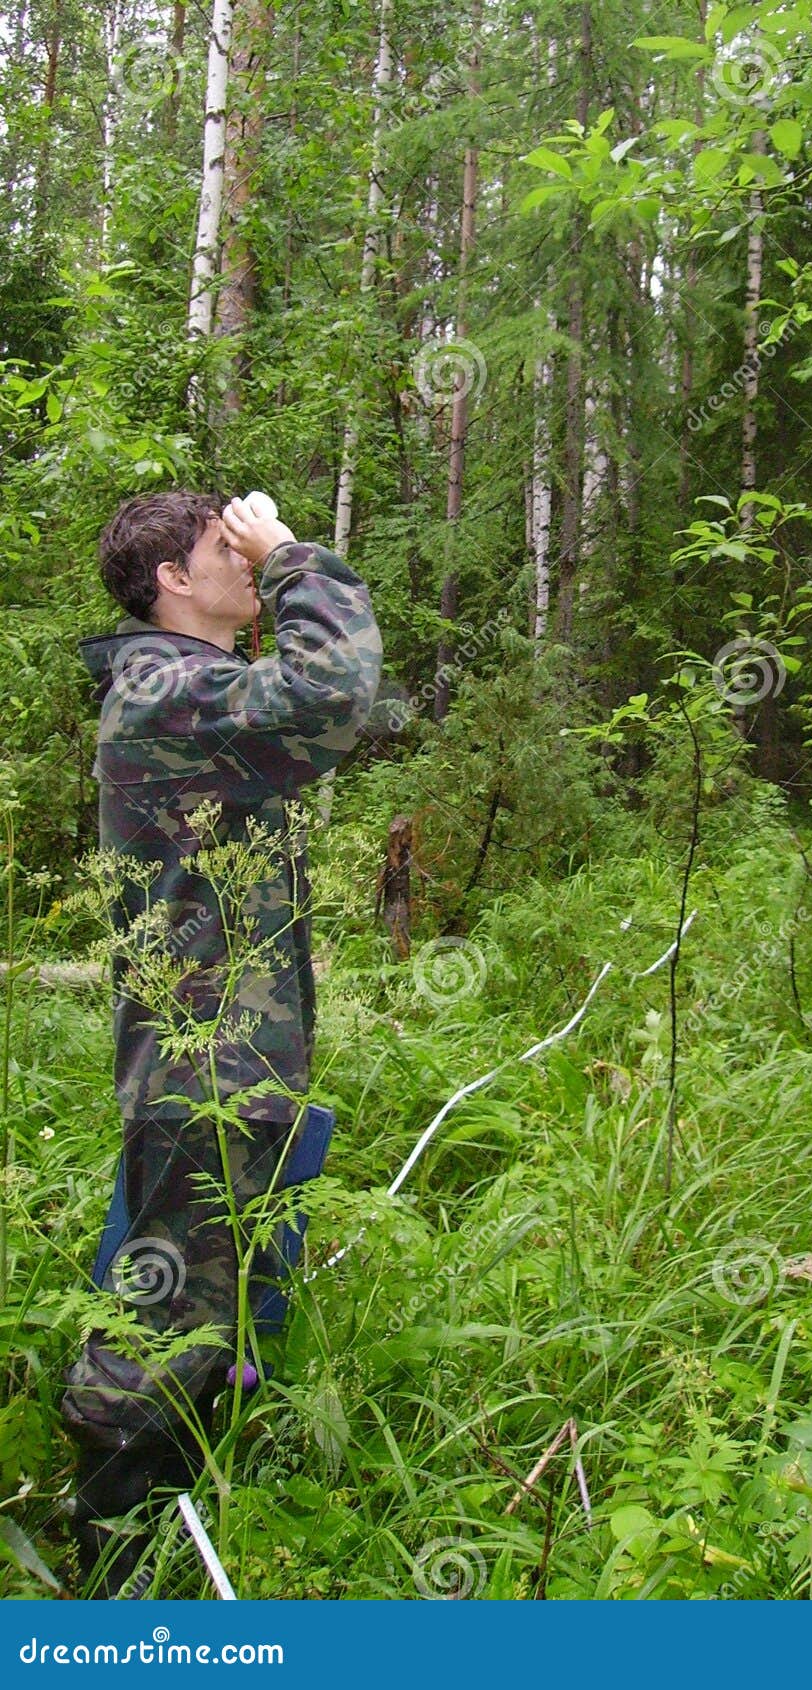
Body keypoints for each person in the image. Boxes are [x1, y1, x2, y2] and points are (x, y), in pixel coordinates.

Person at [61, 491, 382, 1595]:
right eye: (221, 550)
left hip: (228, 1065)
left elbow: (341, 714)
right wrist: (293, 555)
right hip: (202, 1066)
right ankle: (106, 1563)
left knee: (209, 1311)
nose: (241, 564)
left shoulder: (195, 690)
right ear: (170, 583)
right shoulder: (162, 685)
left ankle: (165, 1539)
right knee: (163, 1323)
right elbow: (335, 693)